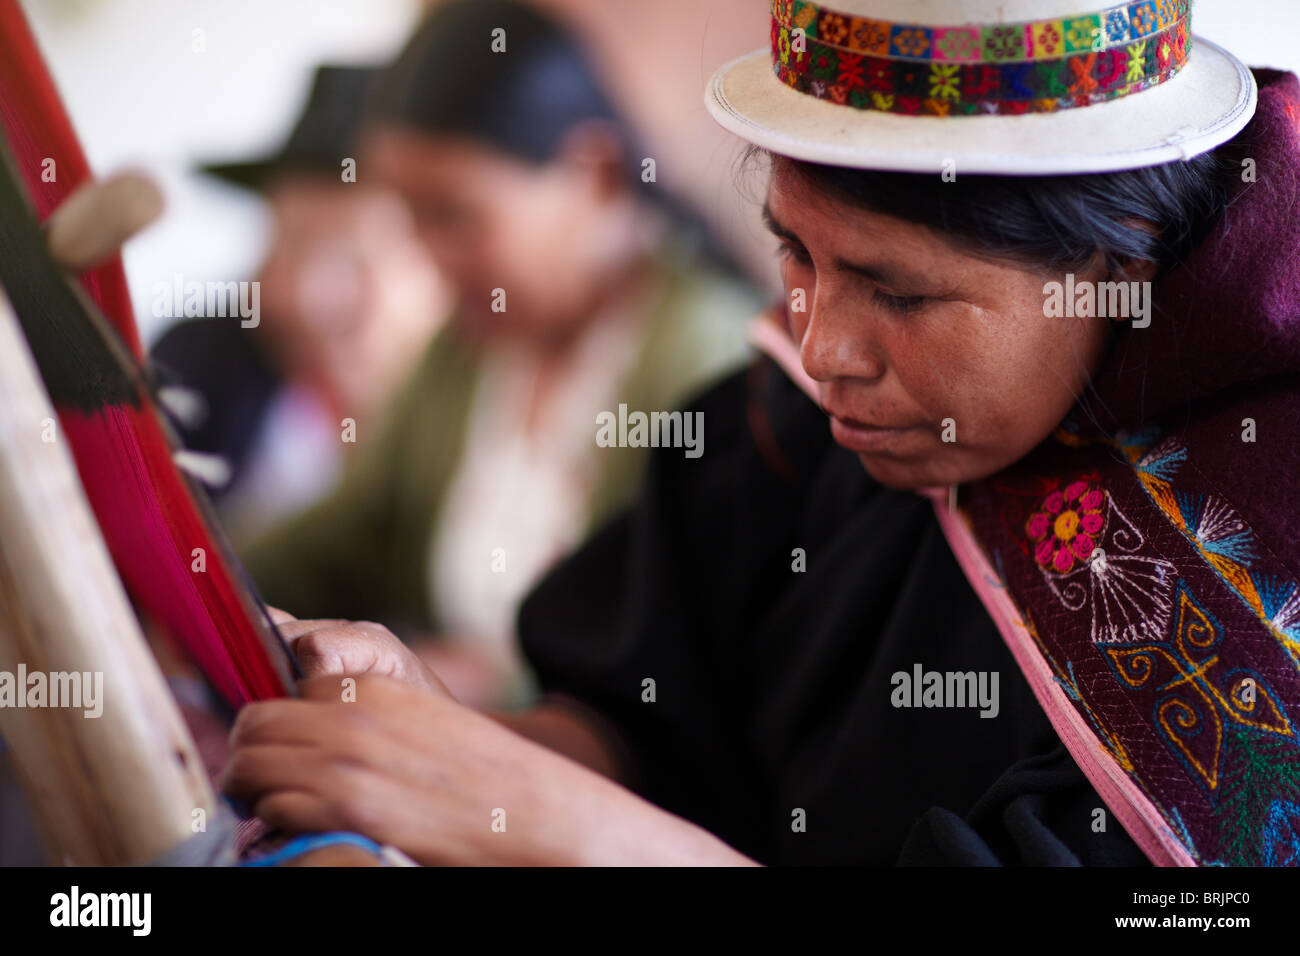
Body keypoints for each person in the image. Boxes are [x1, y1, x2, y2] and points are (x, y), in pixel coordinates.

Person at [222, 0, 1300, 865]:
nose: (822, 344)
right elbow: (635, 726)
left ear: (1120, 267)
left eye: (900, 292)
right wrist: (442, 730)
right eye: (796, 253)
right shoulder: (780, 433)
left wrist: (571, 830)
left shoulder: (1262, 563)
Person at [240, 0, 758, 709]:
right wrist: (189, 570)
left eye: (455, 214)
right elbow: (337, 541)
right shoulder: (466, 352)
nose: (427, 253)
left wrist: (479, 684)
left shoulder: (712, 364)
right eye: (412, 217)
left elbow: (674, 670)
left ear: (594, 174)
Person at [153, 65, 445, 538]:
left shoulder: (486, 418)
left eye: (349, 260)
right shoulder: (202, 368)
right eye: (285, 247)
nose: (300, 298)